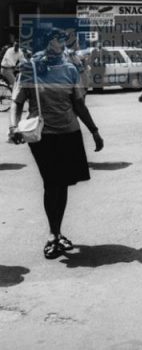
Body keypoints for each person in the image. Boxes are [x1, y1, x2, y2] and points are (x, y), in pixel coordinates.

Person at [7, 28, 104, 259]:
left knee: (62, 184)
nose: (63, 45)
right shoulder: (29, 70)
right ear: (49, 43)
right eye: (60, 41)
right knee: (52, 183)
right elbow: (16, 102)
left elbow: (79, 105)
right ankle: (53, 234)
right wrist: (13, 127)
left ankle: (58, 232)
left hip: (69, 133)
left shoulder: (70, 70)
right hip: (43, 136)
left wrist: (94, 131)